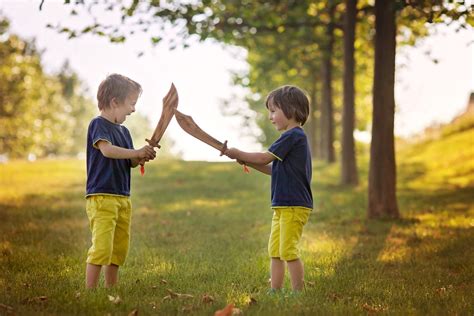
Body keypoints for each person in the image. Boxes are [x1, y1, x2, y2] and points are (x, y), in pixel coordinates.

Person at [224, 85, 312, 293]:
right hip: (283, 205)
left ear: (290, 109)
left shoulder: (293, 136)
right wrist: (245, 161)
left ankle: (298, 292)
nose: (270, 117)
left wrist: (240, 152)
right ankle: (275, 290)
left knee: (288, 251)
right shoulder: (290, 139)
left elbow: (264, 157)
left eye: (274, 111)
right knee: (275, 251)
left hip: (294, 205)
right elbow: (273, 169)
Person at [85, 74, 156, 288]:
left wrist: (140, 157)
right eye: (131, 103)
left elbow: (130, 162)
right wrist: (134, 151)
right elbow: (107, 151)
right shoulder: (98, 124)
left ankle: (110, 288)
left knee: (118, 247)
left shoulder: (124, 131)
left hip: (123, 197)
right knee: (102, 247)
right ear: (115, 102)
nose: (133, 110)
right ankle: (90, 291)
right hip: (102, 196)